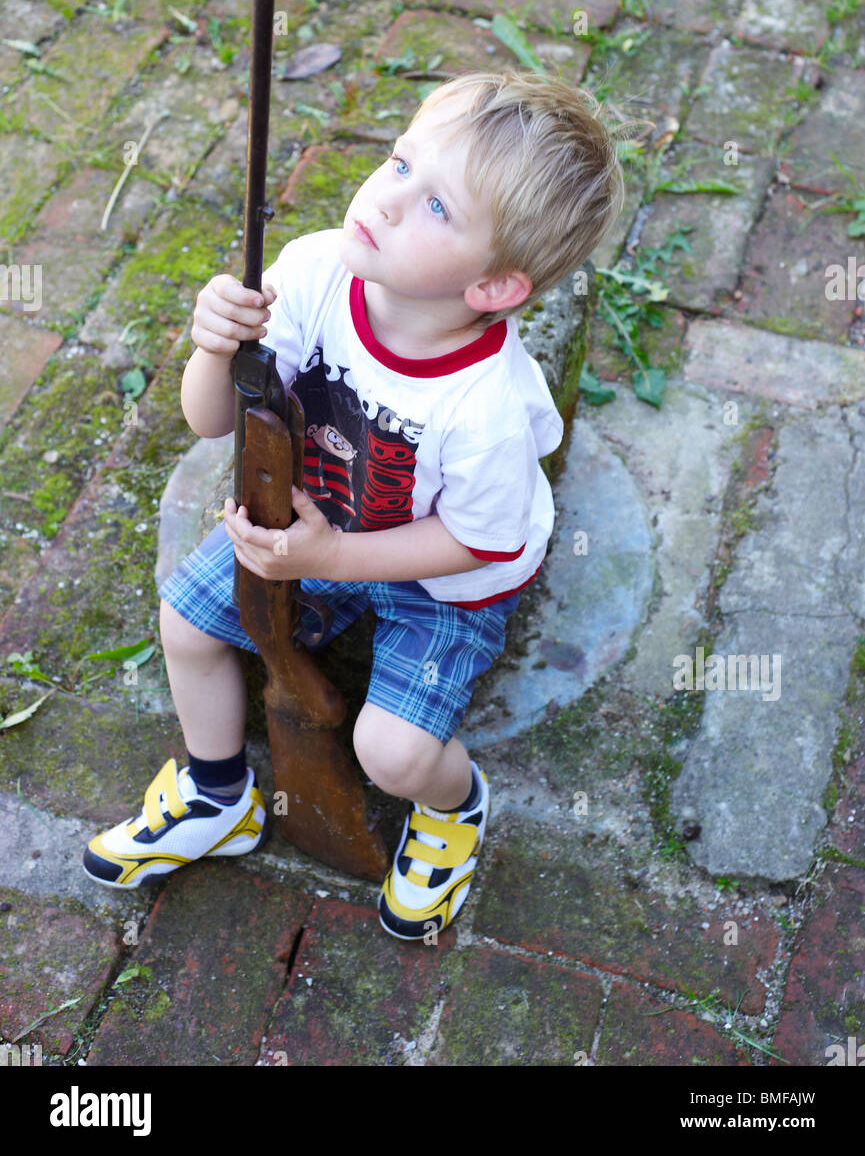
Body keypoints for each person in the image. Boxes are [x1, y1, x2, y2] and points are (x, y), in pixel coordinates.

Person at [82, 68, 626, 940]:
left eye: (439, 206)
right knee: (186, 627)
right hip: (313, 523)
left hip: (438, 574)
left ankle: (455, 810)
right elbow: (210, 419)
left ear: (493, 287)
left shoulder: (484, 406)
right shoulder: (312, 271)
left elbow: (477, 542)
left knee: (395, 754)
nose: (389, 196)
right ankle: (217, 792)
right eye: (401, 161)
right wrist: (212, 349)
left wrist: (331, 560)